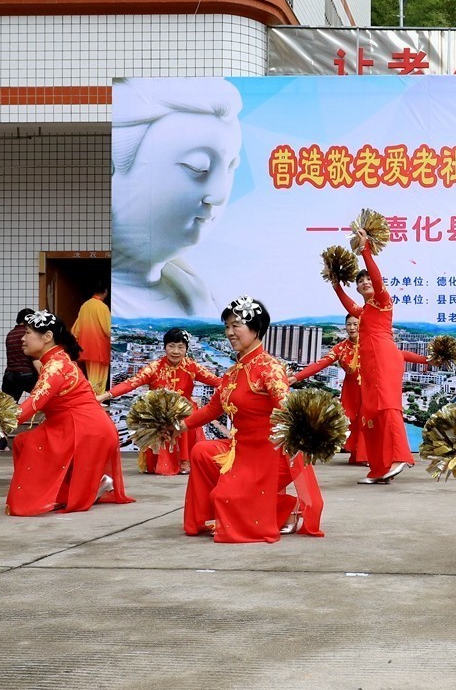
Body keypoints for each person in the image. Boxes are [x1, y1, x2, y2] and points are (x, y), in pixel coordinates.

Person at [182, 296, 324, 543]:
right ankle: (224, 513)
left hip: (269, 454)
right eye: (227, 326)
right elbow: (213, 409)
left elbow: (287, 409)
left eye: (236, 325)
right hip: (240, 449)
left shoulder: (270, 369)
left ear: (256, 329)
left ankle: (283, 508)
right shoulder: (232, 372)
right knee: (202, 452)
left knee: (226, 497)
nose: (229, 332)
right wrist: (178, 426)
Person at [110, 78, 243, 319]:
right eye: (198, 167)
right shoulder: (101, 304)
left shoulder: (199, 295)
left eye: (231, 167)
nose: (220, 195)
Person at [5, 311, 134, 516]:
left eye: (28, 333)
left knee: (30, 443)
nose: (22, 338)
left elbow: (33, 404)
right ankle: (92, 484)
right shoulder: (58, 360)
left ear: (47, 337)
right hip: (82, 425)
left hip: (83, 428)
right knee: (24, 441)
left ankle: (85, 487)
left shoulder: (55, 366)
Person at [330, 231, 417, 484]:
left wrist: (365, 250)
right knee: (371, 413)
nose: (366, 282)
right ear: (356, 287)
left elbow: (378, 280)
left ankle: (399, 456)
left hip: (384, 358)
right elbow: (349, 306)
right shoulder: (364, 309)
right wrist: (336, 284)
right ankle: (379, 468)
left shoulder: (382, 300)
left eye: (368, 279)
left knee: (387, 406)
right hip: (369, 364)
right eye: (361, 281)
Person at [289, 315, 429, 466]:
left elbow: (401, 354)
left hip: (371, 389)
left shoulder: (373, 345)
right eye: (349, 324)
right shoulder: (341, 348)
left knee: (369, 422)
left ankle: (370, 457)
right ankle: (358, 455)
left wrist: (427, 360)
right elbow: (320, 364)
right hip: (351, 391)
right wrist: (296, 378)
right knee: (353, 422)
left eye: (355, 324)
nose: (352, 328)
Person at [97, 328, 221, 475]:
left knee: (186, 415)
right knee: (162, 419)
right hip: (159, 413)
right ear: (164, 347)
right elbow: (131, 383)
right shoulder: (155, 367)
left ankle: (185, 461)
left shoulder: (192, 366)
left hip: (186, 411)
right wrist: (104, 396)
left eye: (181, 347)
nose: (175, 351)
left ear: (186, 349)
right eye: (171, 346)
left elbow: (218, 381)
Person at [0, 308, 39, 451]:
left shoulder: (10, 334)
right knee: (48, 401)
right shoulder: (28, 335)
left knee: (6, 410)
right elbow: (34, 356)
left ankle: (0, 443)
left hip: (10, 375)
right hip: (27, 375)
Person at [72, 283, 111, 393]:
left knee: (91, 375)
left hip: (86, 346)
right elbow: (108, 329)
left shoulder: (85, 305)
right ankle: (97, 398)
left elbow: (76, 330)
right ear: (105, 292)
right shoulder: (102, 307)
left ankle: (95, 398)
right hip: (100, 346)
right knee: (100, 376)